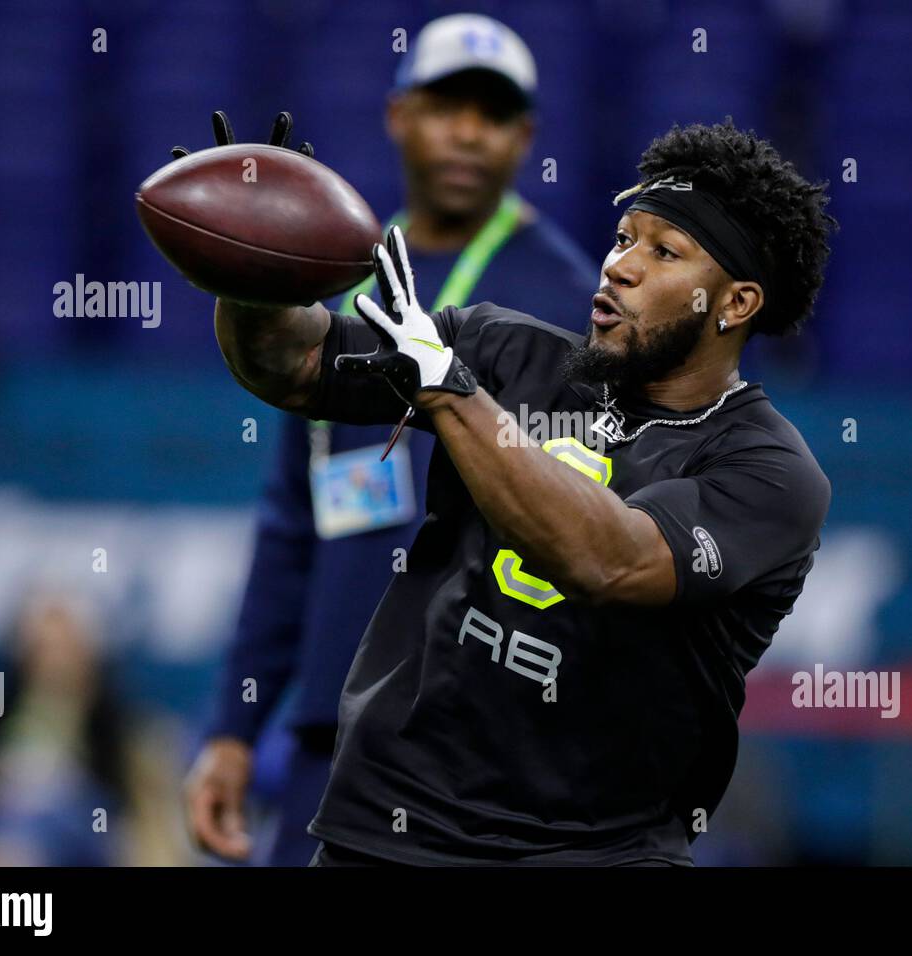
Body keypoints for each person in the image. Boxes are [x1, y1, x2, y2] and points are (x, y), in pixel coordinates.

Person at [209, 117, 836, 866]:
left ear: (734, 305)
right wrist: (251, 272)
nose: (620, 267)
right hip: (390, 825)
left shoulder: (769, 473)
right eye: (623, 237)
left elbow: (607, 560)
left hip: (593, 850)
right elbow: (295, 362)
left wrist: (450, 392)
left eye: (663, 251)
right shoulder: (503, 349)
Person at [182, 14, 598, 865]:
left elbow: (587, 539)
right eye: (447, 106)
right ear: (398, 116)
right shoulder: (339, 276)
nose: (468, 133)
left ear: (525, 138)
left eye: (492, 114)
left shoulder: (567, 301)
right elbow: (296, 526)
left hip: (477, 749)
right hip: (330, 733)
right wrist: (233, 728)